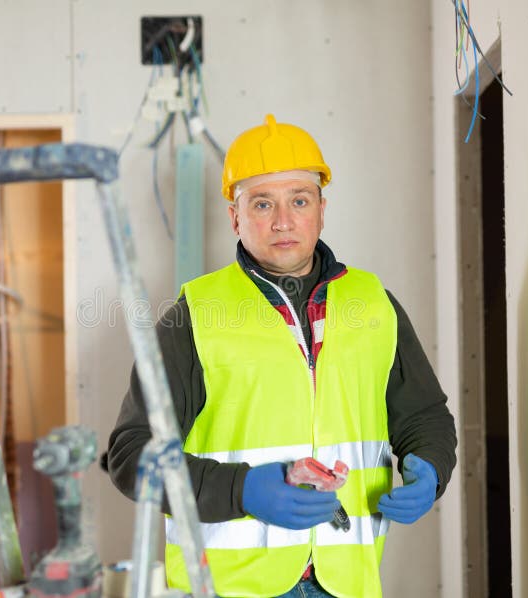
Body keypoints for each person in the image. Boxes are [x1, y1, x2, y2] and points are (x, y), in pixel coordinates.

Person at [108, 114, 457, 598]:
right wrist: (242, 490)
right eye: (262, 204)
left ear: (321, 208)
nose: (283, 221)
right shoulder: (195, 316)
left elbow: (423, 415)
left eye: (299, 200)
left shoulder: (373, 303)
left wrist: (432, 465)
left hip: (346, 583)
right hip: (228, 587)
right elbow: (131, 455)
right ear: (235, 216)